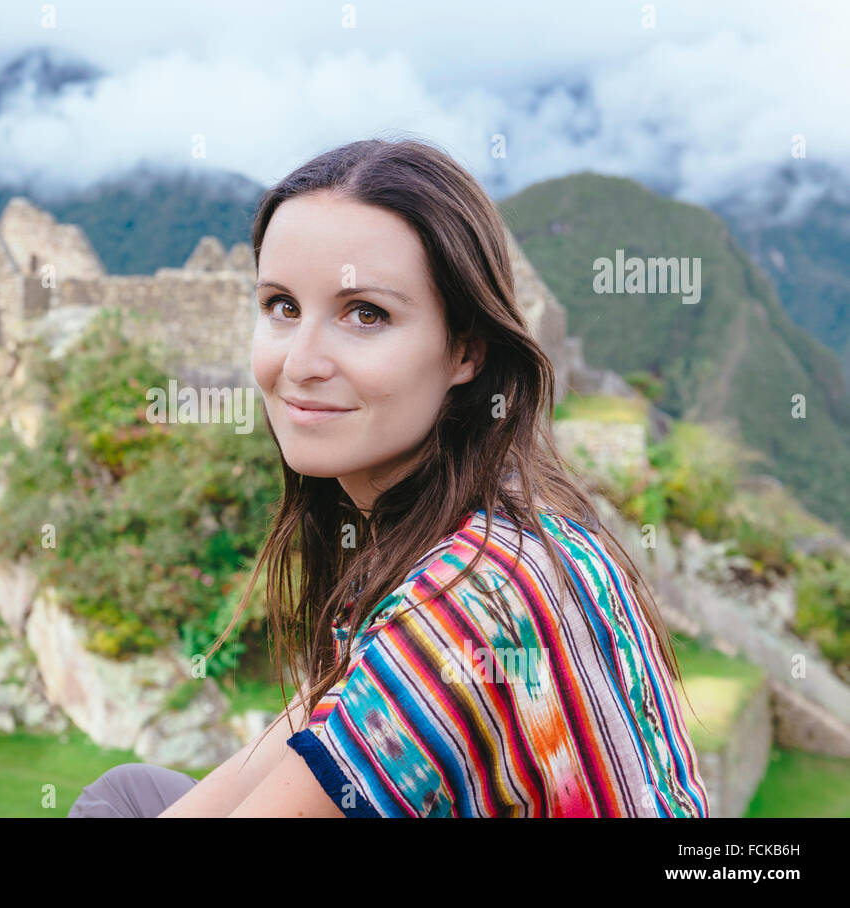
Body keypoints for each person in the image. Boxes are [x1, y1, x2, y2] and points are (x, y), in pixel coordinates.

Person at [68, 136, 710, 818]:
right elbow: (316, 727)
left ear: (465, 350)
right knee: (129, 793)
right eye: (283, 307)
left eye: (365, 314)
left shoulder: (465, 604)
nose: (302, 362)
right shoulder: (509, 526)